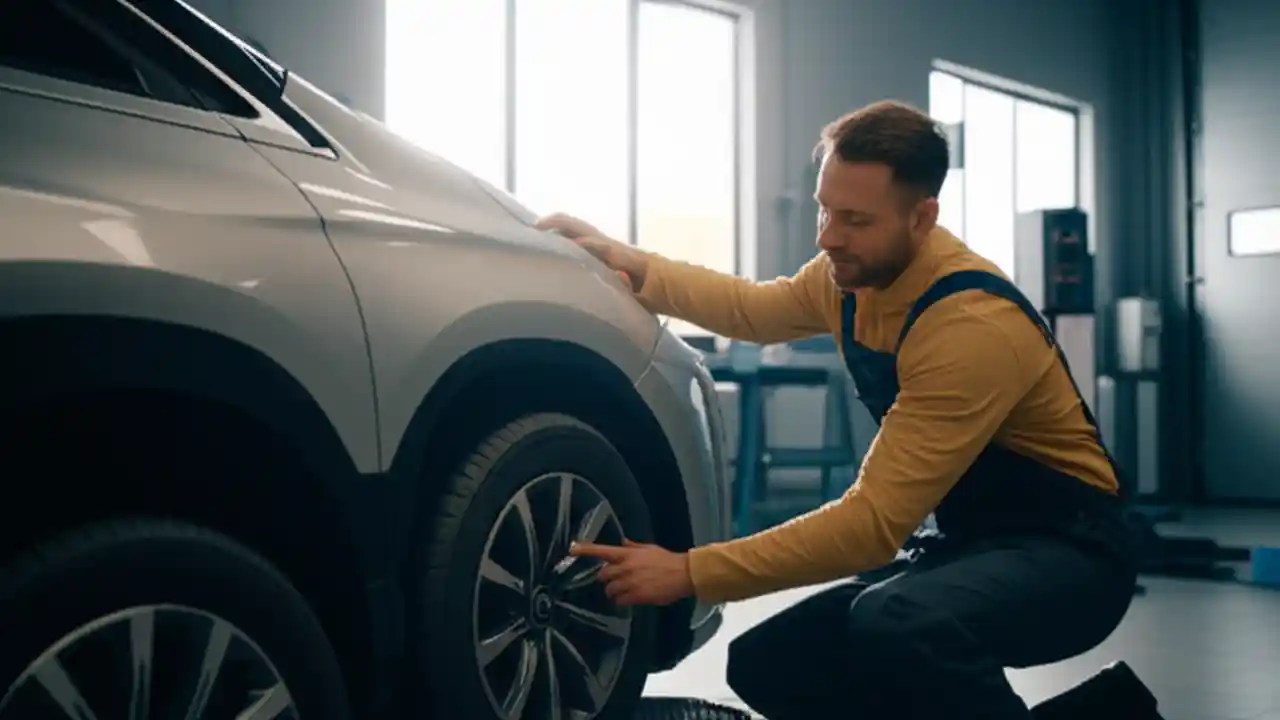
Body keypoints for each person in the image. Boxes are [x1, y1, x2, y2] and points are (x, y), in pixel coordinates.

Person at [538, 100, 1163, 720]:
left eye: (856, 220)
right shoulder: (849, 278)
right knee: (770, 660)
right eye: (824, 209)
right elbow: (753, 310)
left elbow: (869, 527)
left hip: (1072, 561)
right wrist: (632, 264)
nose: (827, 236)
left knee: (900, 622)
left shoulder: (972, 325)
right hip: (972, 545)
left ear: (923, 217)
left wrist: (690, 573)